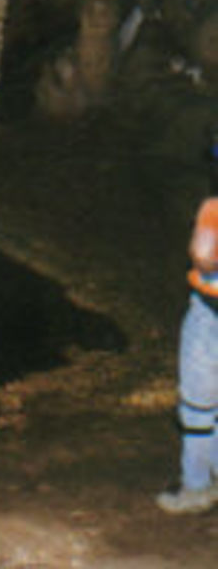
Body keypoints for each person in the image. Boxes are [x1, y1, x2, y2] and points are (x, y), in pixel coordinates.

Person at [157, 189, 218, 514]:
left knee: (198, 406)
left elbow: (202, 255)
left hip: (210, 314)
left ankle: (197, 486)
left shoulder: (214, 209)